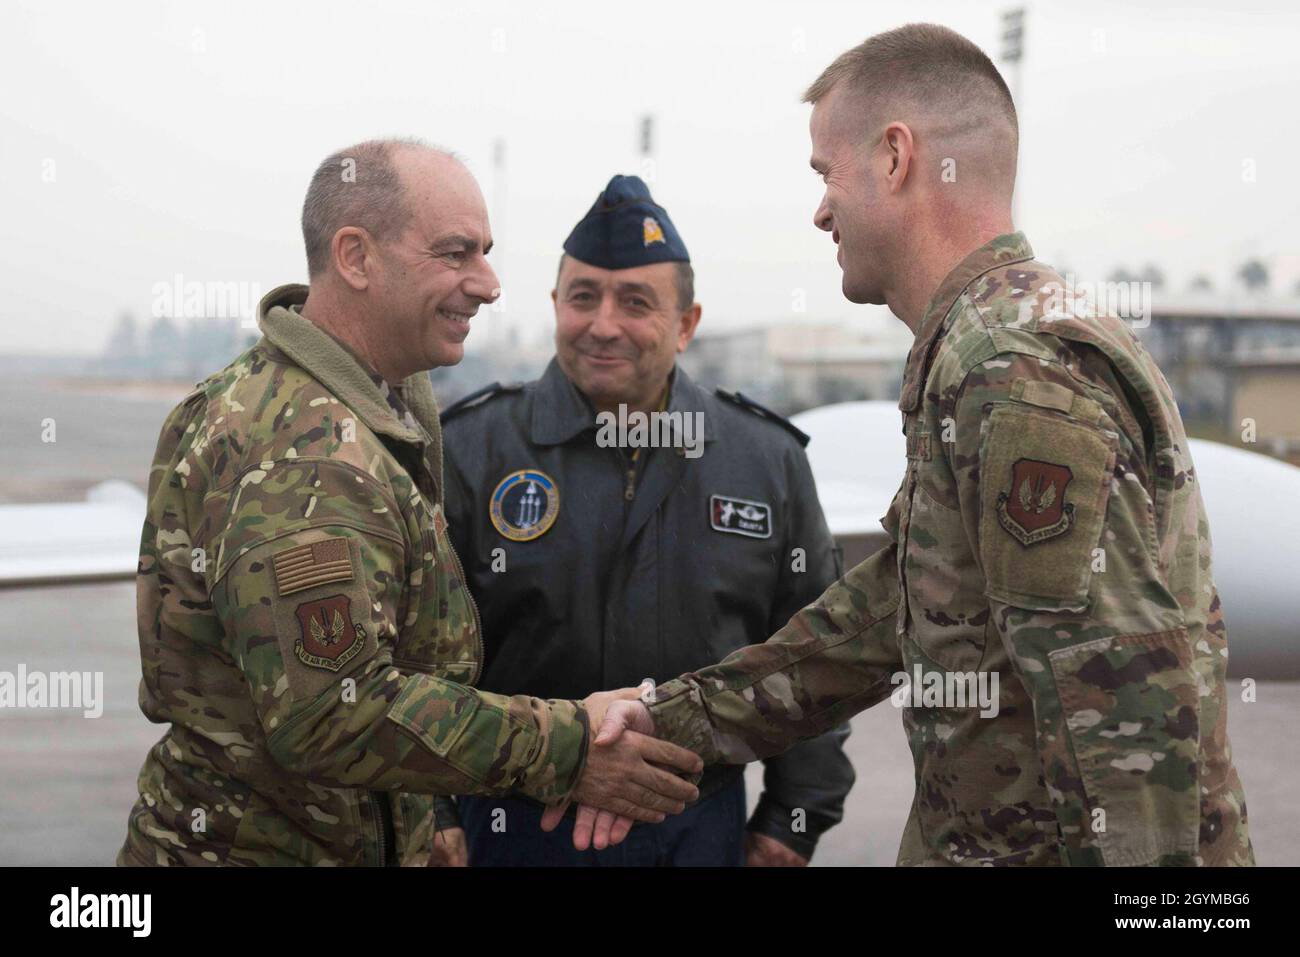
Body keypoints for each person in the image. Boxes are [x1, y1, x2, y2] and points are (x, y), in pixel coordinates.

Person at [567, 24, 1255, 867]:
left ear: (896, 158)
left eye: (826, 173)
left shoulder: (1010, 365)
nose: (819, 209)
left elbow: (1119, 708)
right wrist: (671, 715)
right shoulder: (982, 348)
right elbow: (892, 610)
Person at [117, 138, 701, 867]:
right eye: (456, 254)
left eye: (484, 252)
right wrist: (571, 744)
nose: (488, 284)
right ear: (357, 257)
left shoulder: (361, 412)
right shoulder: (307, 450)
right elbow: (333, 714)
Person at [439, 174, 854, 866]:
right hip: (511, 824)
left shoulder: (764, 459)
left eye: (636, 302)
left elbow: (814, 653)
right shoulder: (472, 449)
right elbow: (417, 656)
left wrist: (793, 820)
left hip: (695, 825)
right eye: (583, 297)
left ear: (686, 324)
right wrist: (431, 811)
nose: (604, 324)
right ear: (554, 307)